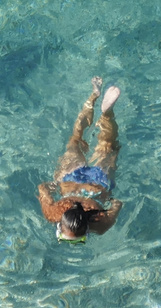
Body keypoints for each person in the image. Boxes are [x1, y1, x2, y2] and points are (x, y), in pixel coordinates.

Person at [37, 77, 123, 243]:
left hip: (99, 184)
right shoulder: (52, 213)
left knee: (108, 145)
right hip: (69, 178)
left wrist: (106, 198)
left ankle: (106, 113)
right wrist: (55, 185)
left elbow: (117, 204)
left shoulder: (101, 224)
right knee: (75, 139)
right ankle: (94, 95)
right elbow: (42, 187)